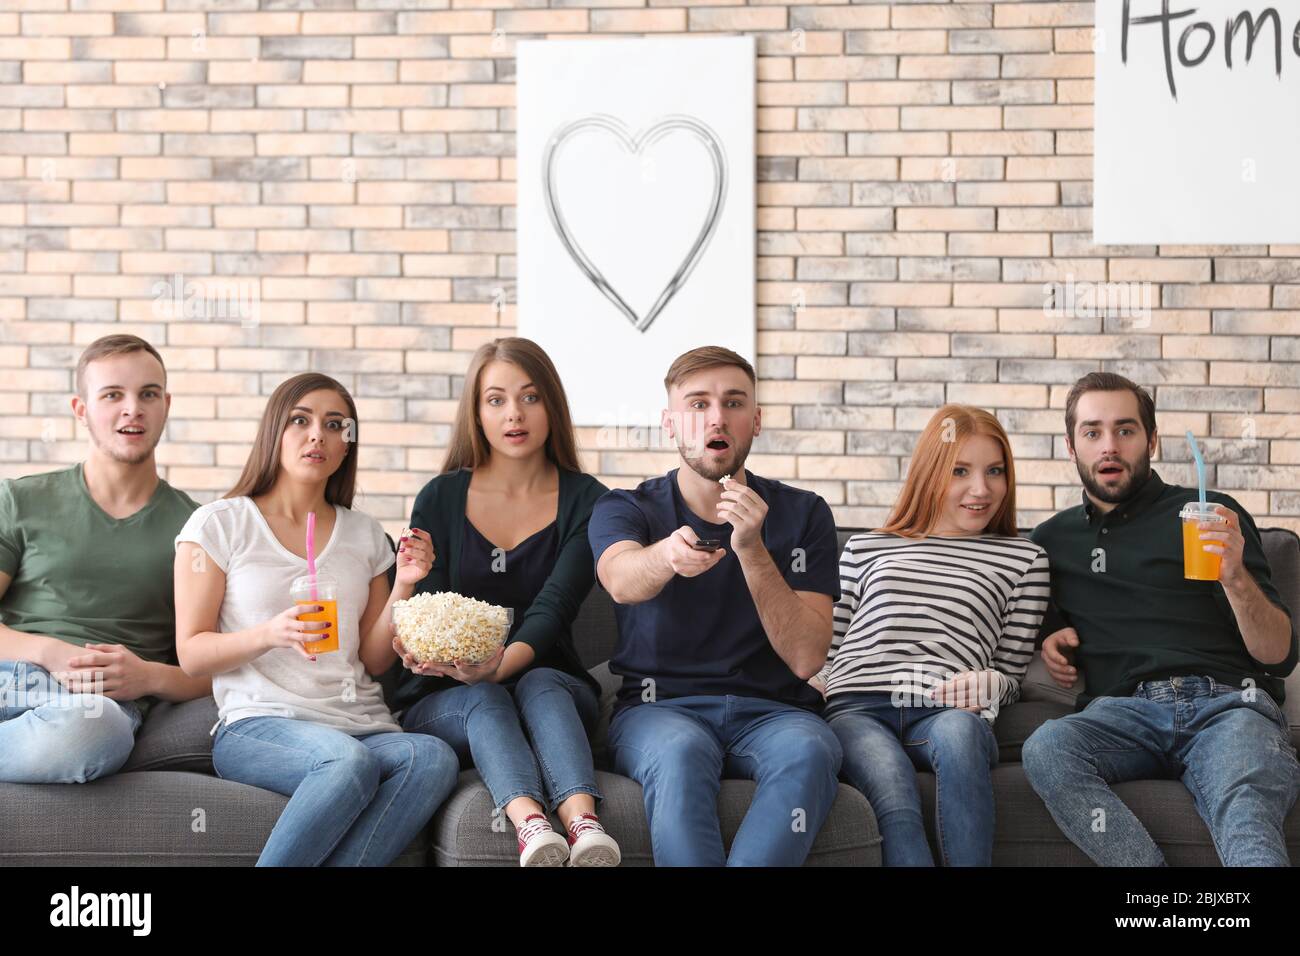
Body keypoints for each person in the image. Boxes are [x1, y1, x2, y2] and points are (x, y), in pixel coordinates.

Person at [174, 372, 459, 866]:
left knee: (431, 757)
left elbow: (372, 661)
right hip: (259, 723)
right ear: (274, 433)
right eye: (300, 420)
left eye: (334, 425)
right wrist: (269, 633)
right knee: (344, 763)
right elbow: (192, 654)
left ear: (347, 445)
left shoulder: (366, 535)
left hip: (359, 723)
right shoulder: (220, 524)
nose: (317, 435)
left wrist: (406, 582)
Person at [1022, 371, 1300, 866]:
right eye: (1092, 432)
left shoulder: (1213, 516)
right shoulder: (1050, 542)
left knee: (1246, 818)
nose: (1109, 446)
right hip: (1122, 714)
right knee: (1048, 747)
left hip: (1227, 707)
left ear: (1151, 440)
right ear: (1071, 447)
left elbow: (1278, 657)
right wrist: (1051, 639)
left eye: (1126, 430)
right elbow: (1042, 626)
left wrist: (1236, 579)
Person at [588, 345, 843, 867]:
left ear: (755, 421)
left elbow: (806, 658)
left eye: (733, 402)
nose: (716, 417)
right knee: (680, 753)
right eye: (697, 404)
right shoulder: (627, 507)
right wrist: (666, 556)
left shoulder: (804, 513)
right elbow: (620, 579)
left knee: (812, 750)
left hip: (777, 713)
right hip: (660, 711)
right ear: (670, 423)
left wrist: (751, 549)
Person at [392, 337, 620, 867]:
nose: (513, 414)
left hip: (553, 687)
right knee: (485, 699)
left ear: (552, 407)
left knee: (536, 681)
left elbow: (554, 608)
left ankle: (584, 824)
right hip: (446, 694)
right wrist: (443, 661)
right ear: (476, 411)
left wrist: (496, 667)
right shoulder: (440, 498)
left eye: (530, 397)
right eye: (495, 400)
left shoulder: (591, 502)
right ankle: (531, 826)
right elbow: (426, 607)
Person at [813, 405, 1049, 866]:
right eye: (960, 470)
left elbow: (1011, 674)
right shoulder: (866, 547)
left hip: (947, 705)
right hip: (858, 702)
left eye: (995, 472)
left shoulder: (1024, 559)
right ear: (931, 471)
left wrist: (991, 684)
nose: (981, 489)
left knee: (963, 739)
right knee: (891, 784)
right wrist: (806, 687)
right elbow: (829, 648)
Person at [0, 335, 209, 784]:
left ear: (166, 405)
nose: (132, 408)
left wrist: (150, 677)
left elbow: (212, 667)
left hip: (91, 709)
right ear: (81, 409)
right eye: (113, 394)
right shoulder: (20, 499)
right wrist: (48, 651)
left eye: (148, 394)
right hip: (9, 677)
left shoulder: (198, 529)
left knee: (99, 730)